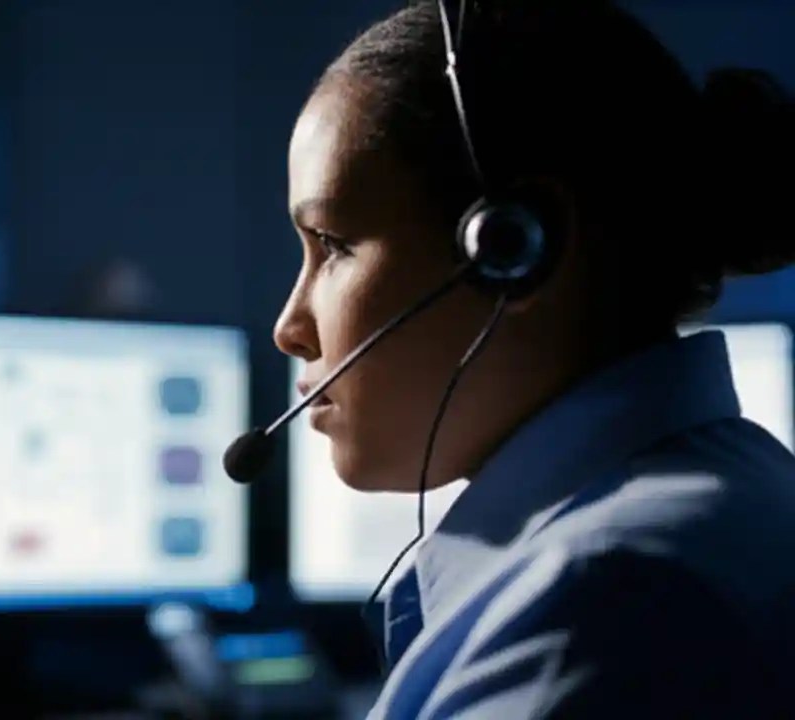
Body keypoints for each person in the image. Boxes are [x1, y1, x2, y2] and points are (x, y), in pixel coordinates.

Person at [273, 0, 795, 717]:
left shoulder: (607, 607)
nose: (290, 327)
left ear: (515, 250)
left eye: (331, 246)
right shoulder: (734, 487)